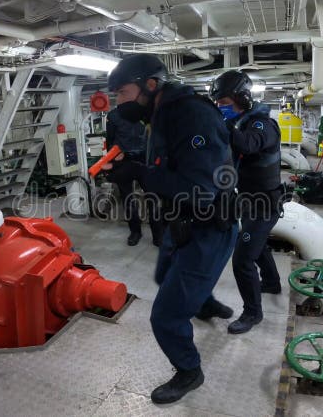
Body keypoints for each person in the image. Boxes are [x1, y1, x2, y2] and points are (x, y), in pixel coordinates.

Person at [108, 54, 238, 404]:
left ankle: (189, 371)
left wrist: (140, 174)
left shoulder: (188, 114)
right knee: (164, 274)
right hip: (181, 224)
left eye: (123, 93)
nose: (119, 102)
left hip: (208, 227)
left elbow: (201, 190)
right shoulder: (162, 113)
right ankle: (205, 304)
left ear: (151, 85)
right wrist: (137, 166)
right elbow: (170, 165)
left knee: (165, 316)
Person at [210, 70, 283, 335]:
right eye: (218, 104)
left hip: (265, 205)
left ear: (242, 99)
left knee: (242, 258)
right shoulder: (240, 123)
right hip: (250, 201)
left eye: (225, 103)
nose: (221, 108)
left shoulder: (262, 125)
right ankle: (272, 282)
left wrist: (222, 124)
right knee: (256, 244)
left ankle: (253, 313)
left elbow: (248, 145)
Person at [105, 108, 164, 246]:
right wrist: (112, 162)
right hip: (123, 162)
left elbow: (157, 137)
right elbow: (110, 140)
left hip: (145, 161)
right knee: (127, 198)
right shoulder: (113, 115)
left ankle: (158, 234)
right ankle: (135, 232)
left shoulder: (149, 113)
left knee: (153, 198)